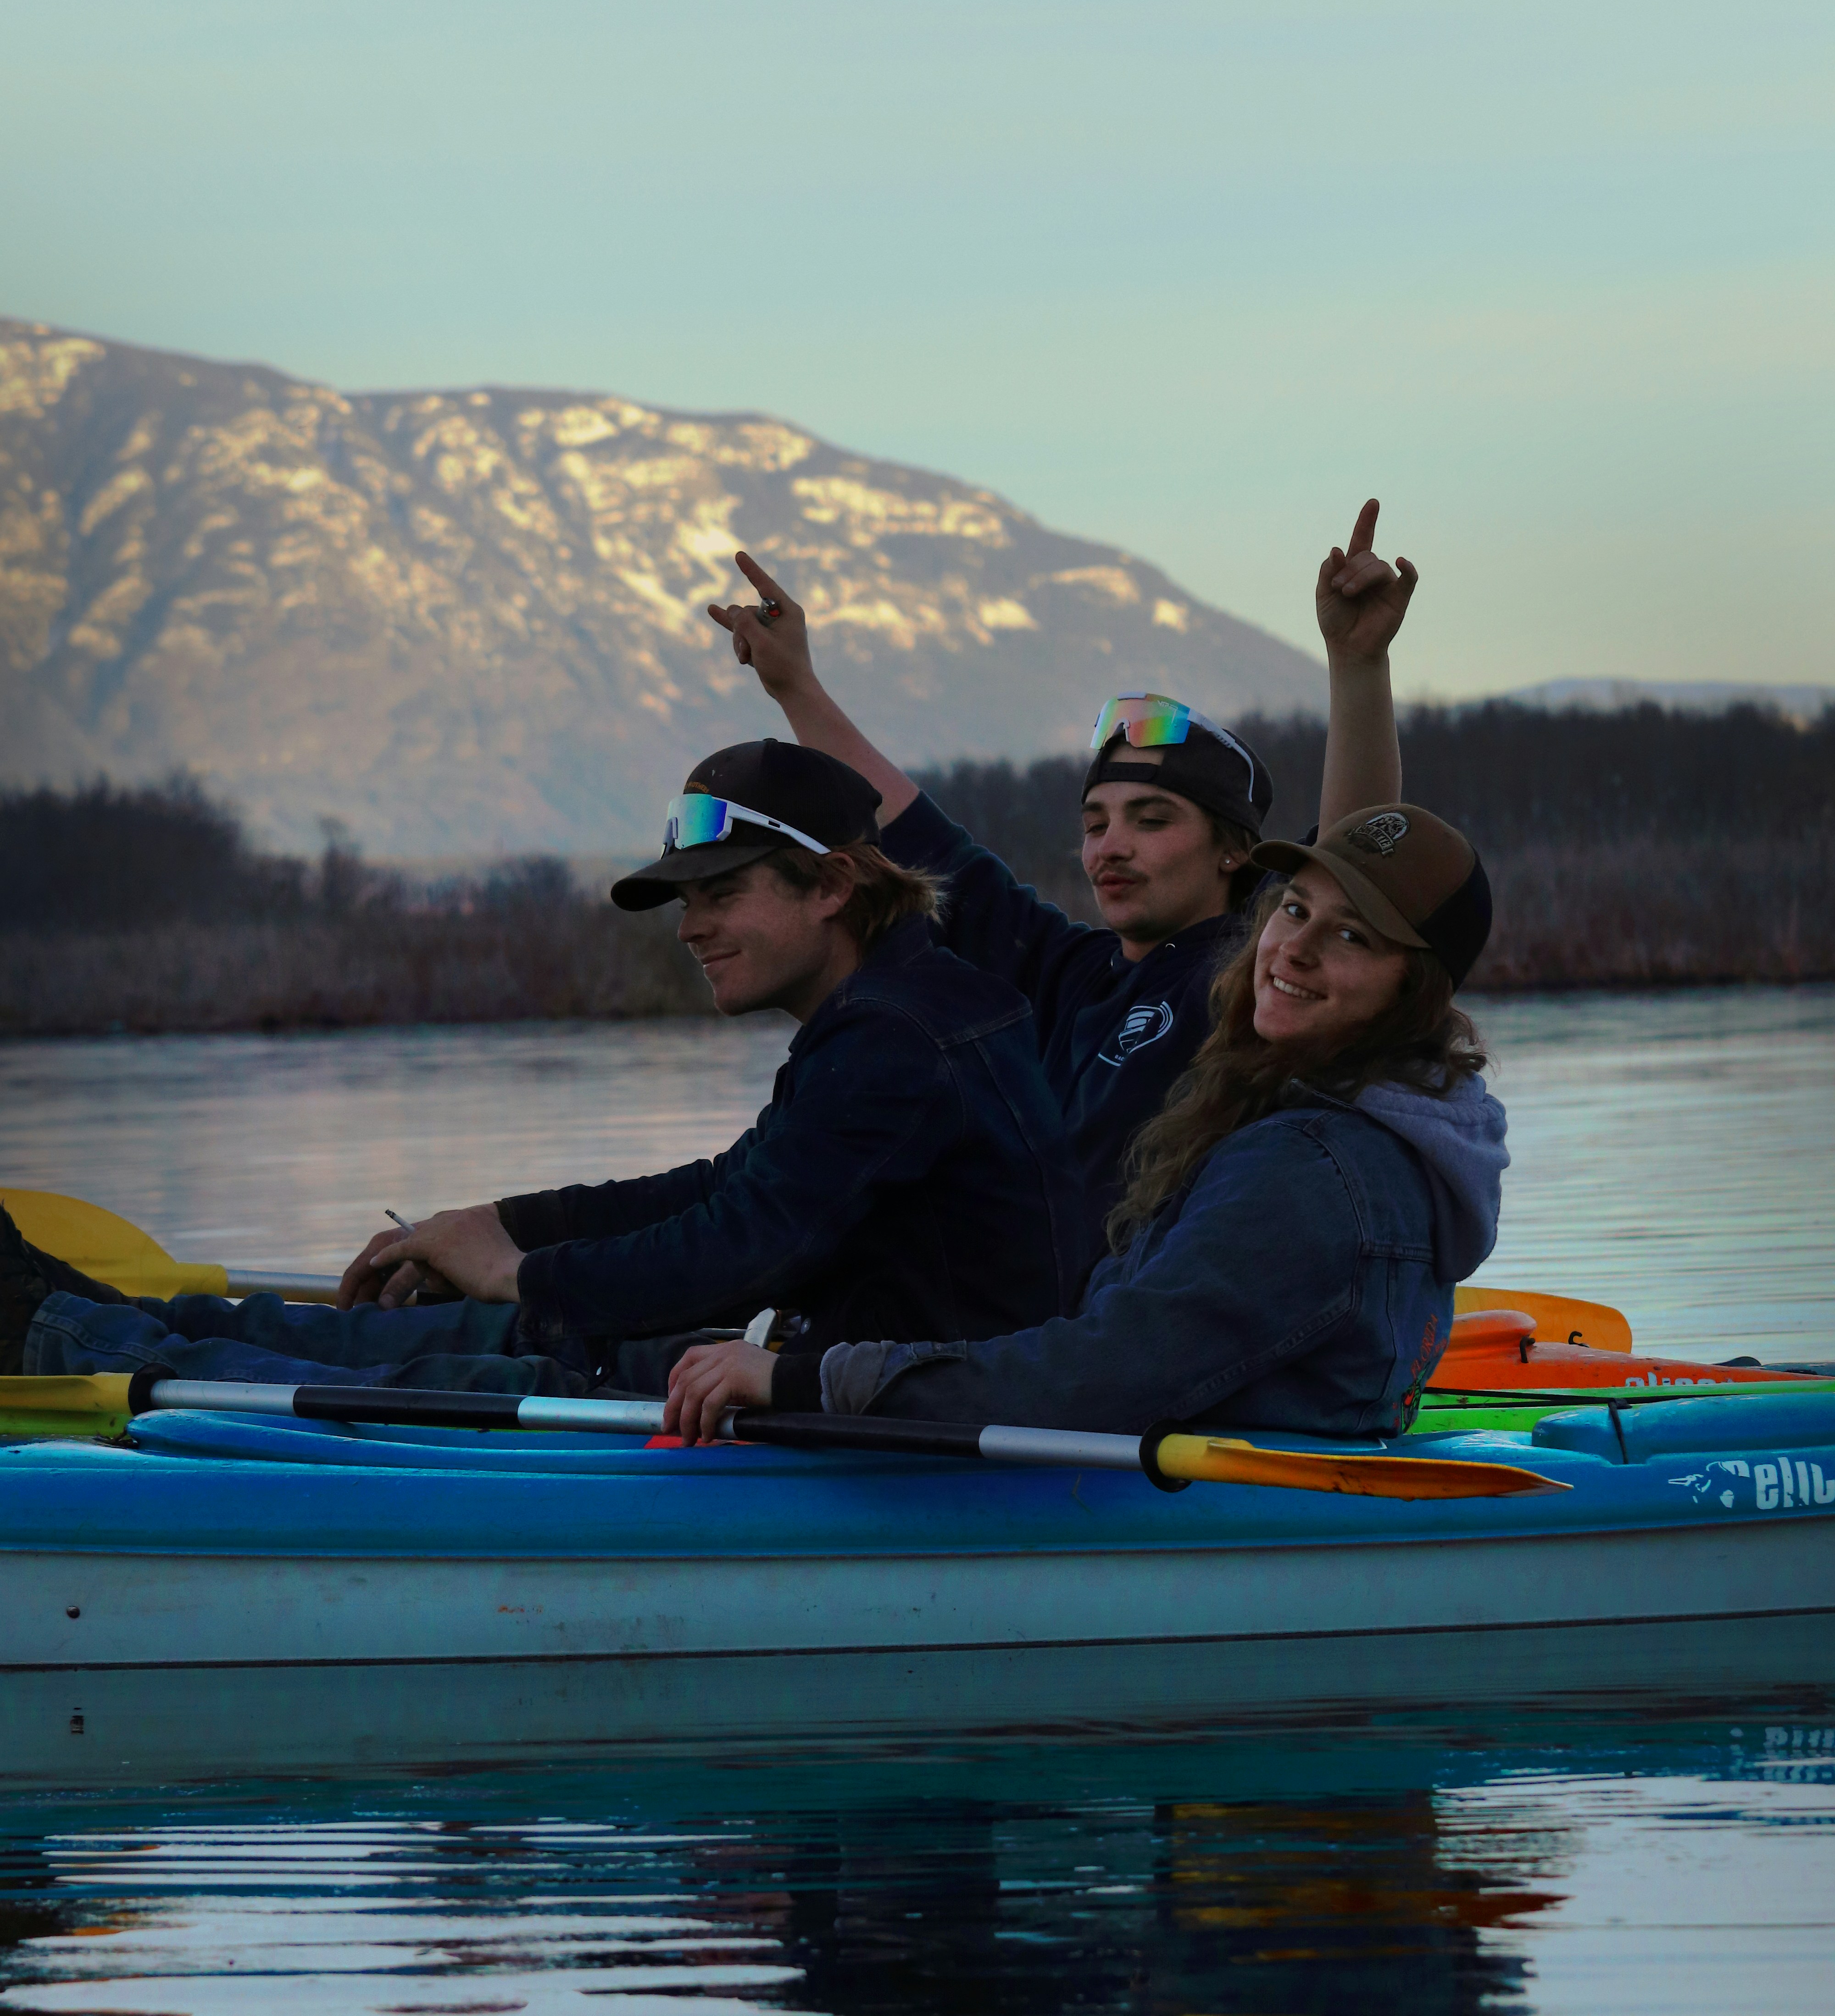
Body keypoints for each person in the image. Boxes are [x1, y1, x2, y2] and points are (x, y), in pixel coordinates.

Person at [0, 743, 1083, 1397]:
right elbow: (727, 1190)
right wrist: (503, 1228)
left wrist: (519, 1274)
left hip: (872, 1425)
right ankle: (69, 1307)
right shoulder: (904, 1007)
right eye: (684, 902)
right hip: (790, 1370)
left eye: (719, 895)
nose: (689, 928)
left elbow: (733, 1252)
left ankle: (47, 1333)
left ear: (834, 885)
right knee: (402, 1328)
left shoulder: (899, 1039)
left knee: (428, 1378)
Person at [663, 802, 1507, 1443]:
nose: (1294, 950)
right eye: (1294, 910)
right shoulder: (1331, 1117)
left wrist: (807, 1383)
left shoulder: (1309, 1169)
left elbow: (1096, 1382)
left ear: (1415, 990)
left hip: (1191, 1529)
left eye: (1351, 936)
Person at [709, 500, 1417, 1234]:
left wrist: (1358, 664)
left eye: (1152, 820)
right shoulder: (1067, 977)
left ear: (1234, 848)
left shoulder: (1256, 970)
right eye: (1094, 823)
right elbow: (920, 838)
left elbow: (1349, 855)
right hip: (1054, 1335)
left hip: (1165, 1329)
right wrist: (797, 688)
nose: (1111, 845)